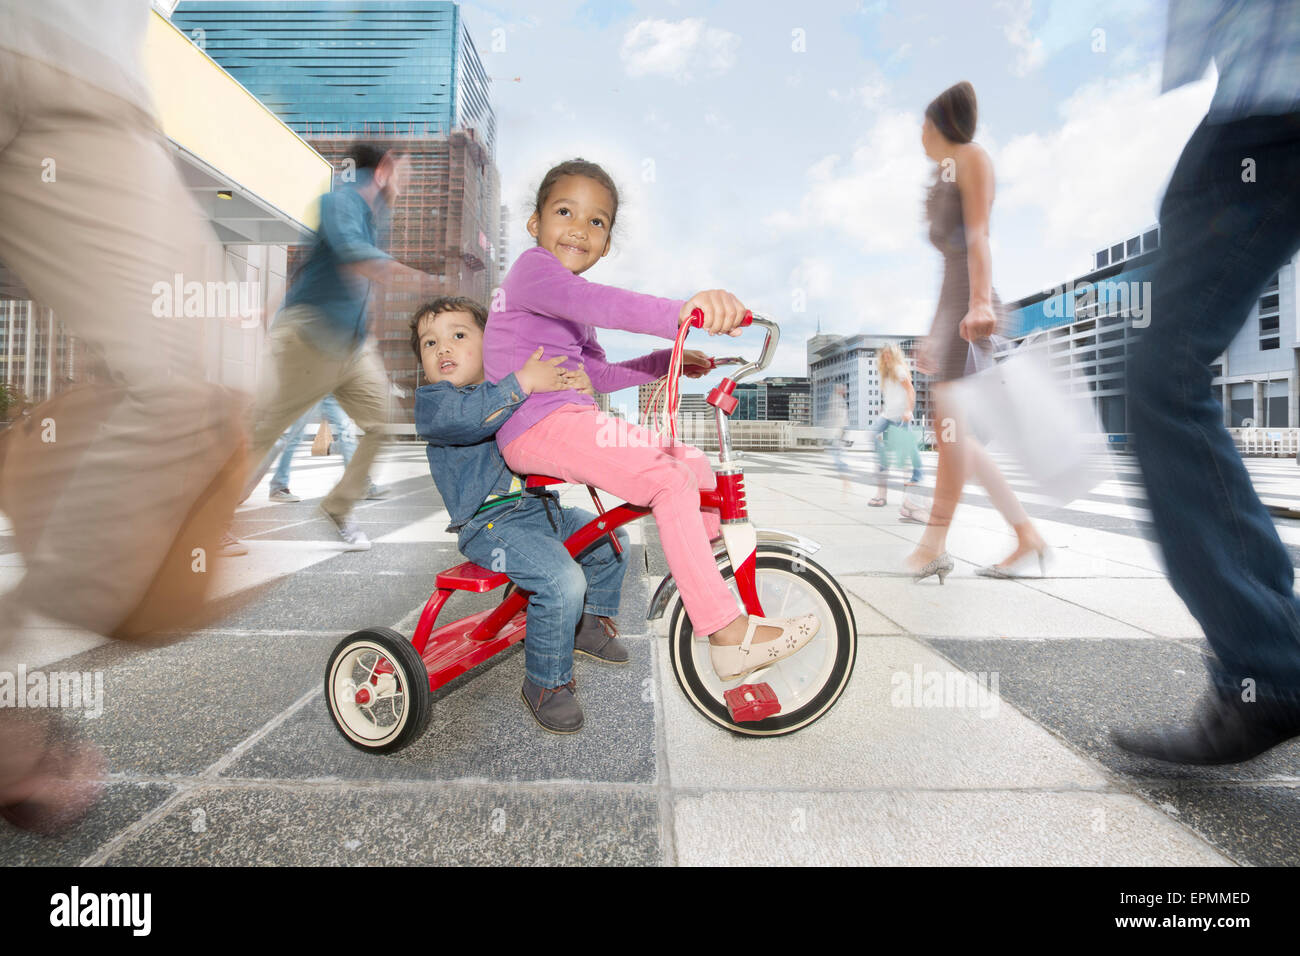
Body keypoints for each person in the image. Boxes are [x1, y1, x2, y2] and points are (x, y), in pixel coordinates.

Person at [0, 0, 244, 833]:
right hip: (56, 61)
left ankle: (16, 692)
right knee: (191, 385)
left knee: (201, 382)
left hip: (85, 70)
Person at [484, 158, 820, 680]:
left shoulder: (568, 310)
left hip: (571, 419)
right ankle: (726, 634)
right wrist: (683, 313)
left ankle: (709, 581)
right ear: (535, 224)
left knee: (695, 464)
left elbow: (599, 374)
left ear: (608, 241)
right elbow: (599, 300)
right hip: (534, 426)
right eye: (564, 211)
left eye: (597, 221)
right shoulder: (533, 271)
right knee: (668, 481)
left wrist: (671, 360)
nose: (579, 227)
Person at [1112, 0, 1300, 764]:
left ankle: (1270, 666)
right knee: (1161, 376)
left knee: (1160, 378)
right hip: (1257, 107)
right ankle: (1269, 663)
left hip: (1266, 115)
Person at [412, 296, 630, 733]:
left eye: (458, 336)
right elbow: (470, 421)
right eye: (429, 343)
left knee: (610, 540)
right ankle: (546, 683)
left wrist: (575, 392)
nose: (443, 349)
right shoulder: (437, 403)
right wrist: (522, 381)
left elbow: (552, 427)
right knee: (560, 581)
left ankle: (588, 622)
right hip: (490, 524)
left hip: (541, 513)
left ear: (491, 345)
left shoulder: (511, 390)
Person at [230, 143, 439, 553]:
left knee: (380, 422)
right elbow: (353, 254)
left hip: (352, 346)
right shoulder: (341, 200)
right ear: (383, 169)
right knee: (264, 431)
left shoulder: (375, 215)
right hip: (311, 339)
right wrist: (419, 279)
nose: (406, 183)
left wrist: (370, 330)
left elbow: (323, 271)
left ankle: (339, 507)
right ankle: (208, 520)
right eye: (403, 173)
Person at [905, 82, 1048, 583]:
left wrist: (981, 303)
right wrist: (933, 332)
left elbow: (980, 237)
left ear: (942, 124)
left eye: (924, 125)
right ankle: (1025, 536)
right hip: (954, 306)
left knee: (951, 433)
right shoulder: (944, 172)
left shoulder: (971, 158)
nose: (920, 135)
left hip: (971, 305)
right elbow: (949, 261)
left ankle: (934, 544)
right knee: (957, 436)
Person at [266, 394, 387, 503]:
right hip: (310, 384)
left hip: (330, 388)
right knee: (294, 436)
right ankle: (278, 487)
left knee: (347, 431)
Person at [869, 344, 928, 523]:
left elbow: (910, 390)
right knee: (873, 435)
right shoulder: (885, 374)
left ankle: (916, 478)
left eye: (889, 355)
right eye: (884, 355)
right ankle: (884, 462)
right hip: (888, 415)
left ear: (894, 356)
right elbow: (892, 396)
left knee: (909, 450)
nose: (886, 358)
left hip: (901, 416)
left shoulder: (899, 369)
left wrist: (909, 411)